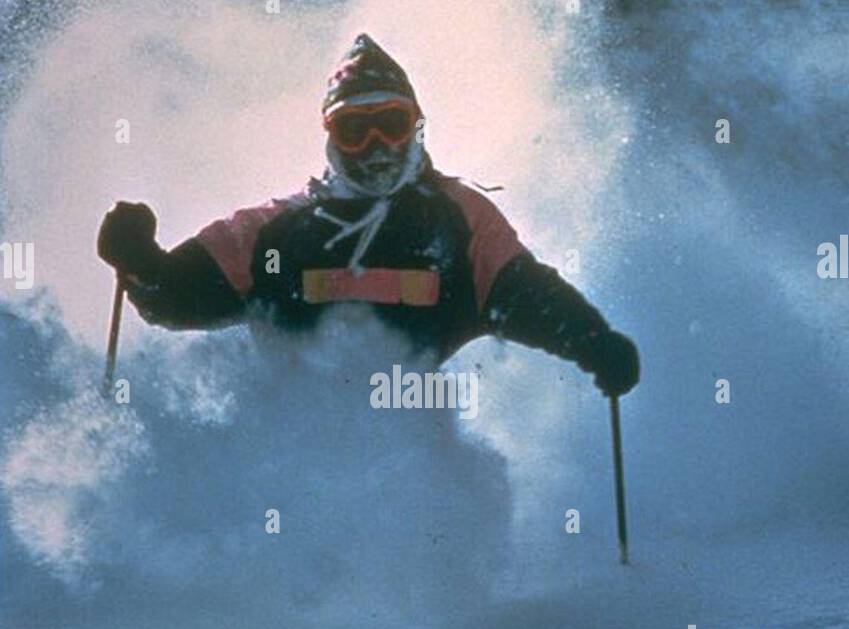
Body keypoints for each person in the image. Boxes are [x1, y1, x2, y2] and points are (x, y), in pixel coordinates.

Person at [98, 34, 639, 396]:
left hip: (420, 459)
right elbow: (175, 296)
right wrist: (139, 262)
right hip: (291, 454)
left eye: (391, 124)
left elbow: (524, 292)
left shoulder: (462, 219)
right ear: (331, 138)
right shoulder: (273, 232)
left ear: (417, 125)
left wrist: (591, 341)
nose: (376, 146)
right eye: (355, 130)